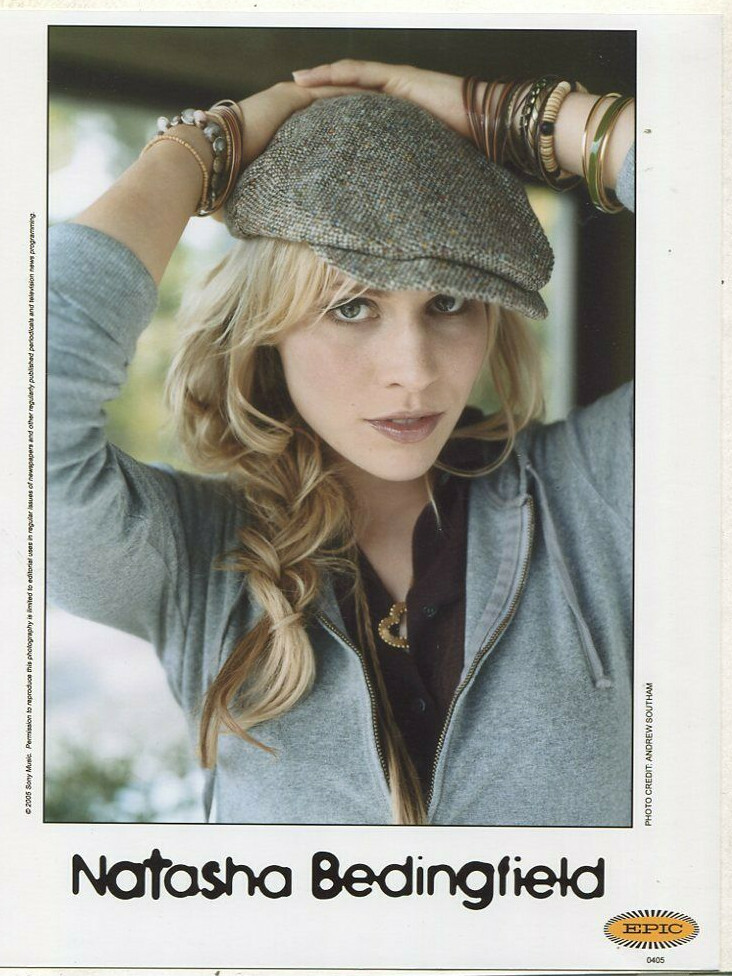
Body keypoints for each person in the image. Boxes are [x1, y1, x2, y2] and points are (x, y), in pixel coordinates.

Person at [48, 61, 635, 826]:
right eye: (353, 307)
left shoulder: (596, 494)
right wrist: (199, 149)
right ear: (266, 326)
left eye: (449, 301)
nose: (413, 372)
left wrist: (518, 116)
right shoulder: (192, 559)